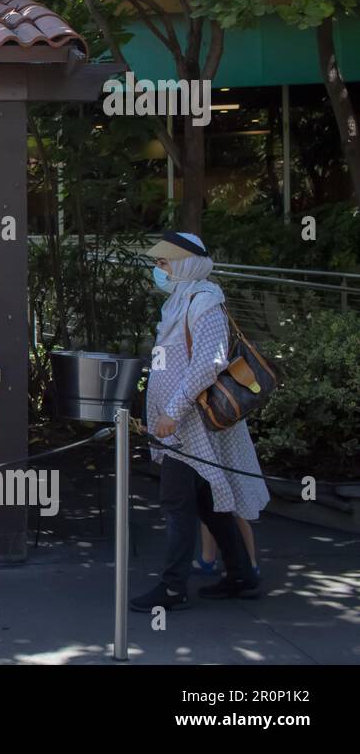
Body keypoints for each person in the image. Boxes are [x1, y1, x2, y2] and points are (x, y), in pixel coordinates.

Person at [129, 232, 270, 613]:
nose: (159, 269)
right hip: (181, 425)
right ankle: (242, 576)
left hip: (190, 425)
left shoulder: (204, 302)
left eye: (164, 262)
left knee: (177, 502)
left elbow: (208, 365)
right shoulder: (181, 300)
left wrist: (172, 412)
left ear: (186, 264)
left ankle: (173, 587)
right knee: (207, 503)